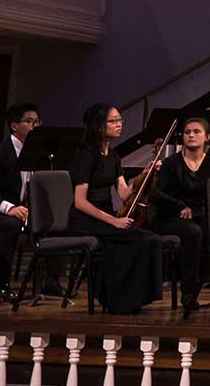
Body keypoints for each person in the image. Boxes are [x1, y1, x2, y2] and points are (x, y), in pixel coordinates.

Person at [70, 104, 166, 314]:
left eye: (120, 120)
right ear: (98, 125)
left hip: (106, 217)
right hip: (85, 219)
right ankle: (120, 300)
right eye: (113, 121)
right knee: (140, 239)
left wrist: (145, 173)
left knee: (151, 239)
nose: (119, 124)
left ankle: (134, 298)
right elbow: (80, 202)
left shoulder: (113, 156)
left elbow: (123, 193)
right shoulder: (86, 155)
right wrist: (114, 221)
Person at [150, 115, 210, 312]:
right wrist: (179, 206)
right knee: (194, 233)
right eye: (187, 132)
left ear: (207, 137)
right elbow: (155, 194)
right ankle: (188, 293)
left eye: (196, 131)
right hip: (170, 216)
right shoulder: (171, 163)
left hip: (199, 215)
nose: (191, 135)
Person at [0, 102, 41, 297]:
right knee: (10, 224)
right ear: (14, 125)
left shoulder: (37, 152)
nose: (34, 126)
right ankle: (2, 285)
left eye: (37, 121)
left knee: (51, 223)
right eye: (29, 121)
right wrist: (10, 208)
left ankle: (48, 282)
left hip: (22, 210)